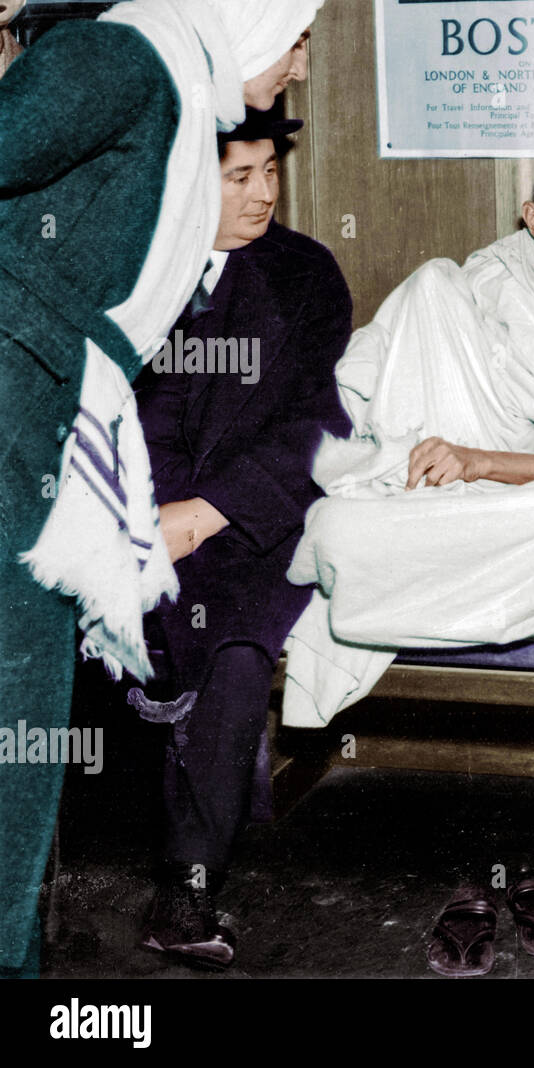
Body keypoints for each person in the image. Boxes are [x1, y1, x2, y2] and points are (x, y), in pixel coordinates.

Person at [279, 142, 534, 975]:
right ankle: (436, 532)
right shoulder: (488, 279)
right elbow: (379, 392)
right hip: (466, 502)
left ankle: (439, 552)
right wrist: (449, 463)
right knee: (344, 521)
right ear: (532, 217)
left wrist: (481, 464)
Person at [0, 0, 324, 979]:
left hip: (49, 417)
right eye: (300, 33)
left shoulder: (171, 86)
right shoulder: (129, 58)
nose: (302, 66)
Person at [127, 110, 351, 969]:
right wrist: (135, 519)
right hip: (128, 517)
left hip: (252, 520)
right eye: (239, 176)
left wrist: (206, 512)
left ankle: (187, 883)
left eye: (270, 170)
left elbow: (317, 423)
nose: (264, 193)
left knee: (231, 643)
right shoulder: (134, 270)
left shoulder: (304, 274)